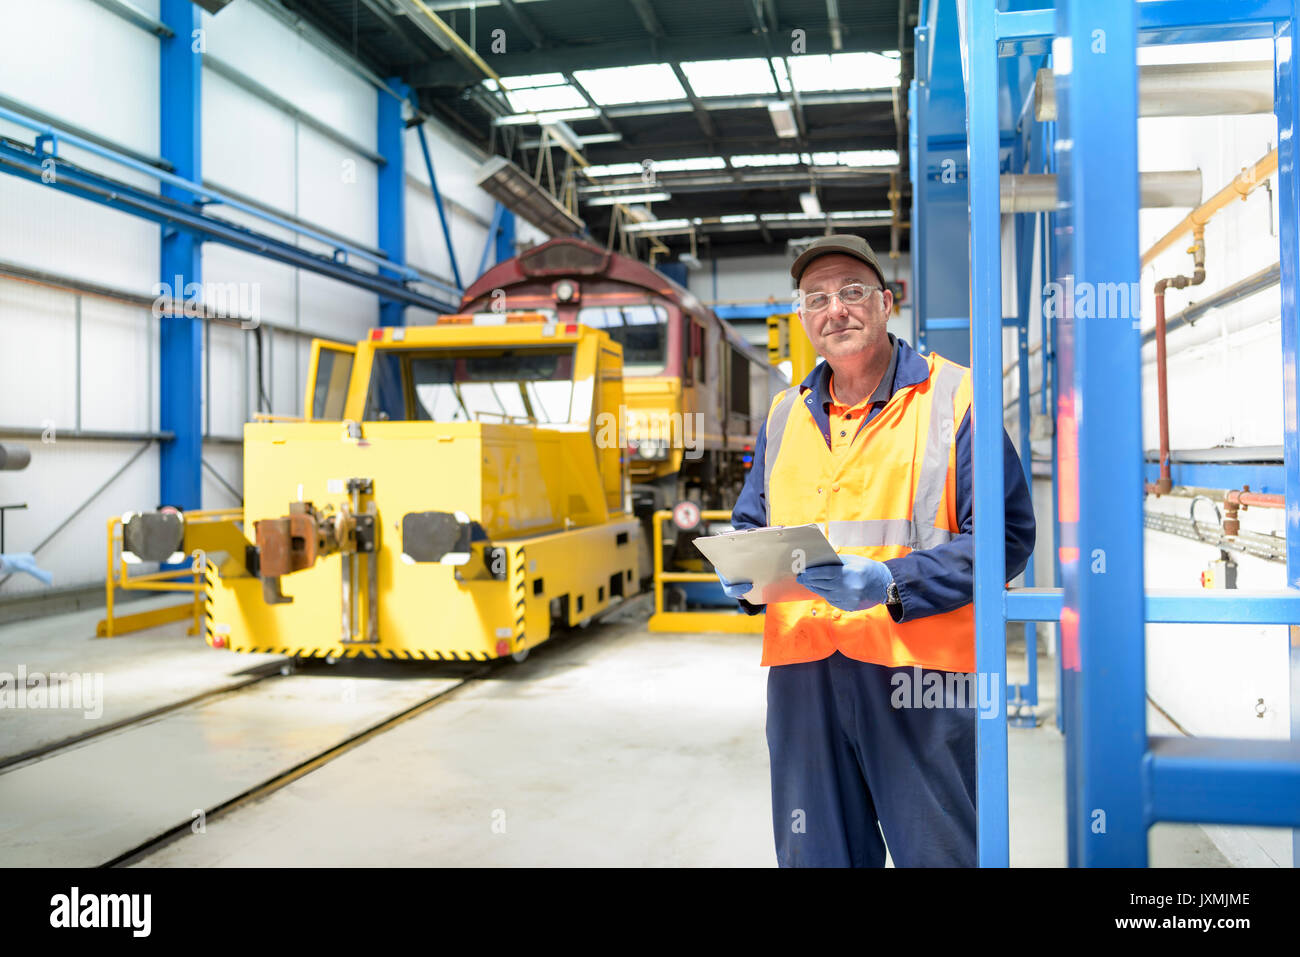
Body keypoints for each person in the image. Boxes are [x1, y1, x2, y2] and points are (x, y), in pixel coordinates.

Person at [720, 234, 1035, 867]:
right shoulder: (785, 413)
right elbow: (752, 522)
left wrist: (891, 583)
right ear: (804, 318)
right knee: (817, 856)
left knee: (937, 853)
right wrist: (743, 576)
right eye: (817, 299)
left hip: (918, 674)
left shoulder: (956, 399)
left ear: (886, 303)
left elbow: (1005, 538)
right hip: (803, 677)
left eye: (852, 292)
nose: (835, 310)